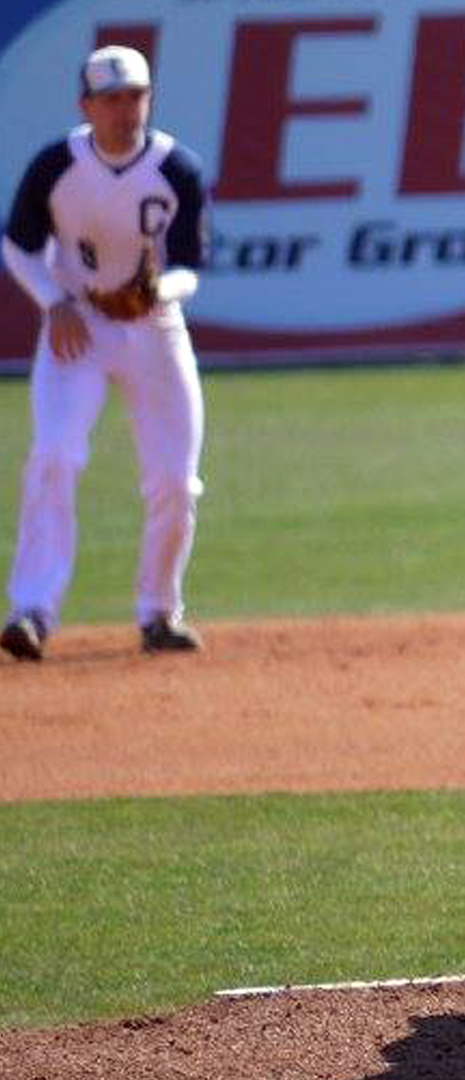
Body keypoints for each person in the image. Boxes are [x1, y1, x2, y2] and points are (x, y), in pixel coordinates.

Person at [2, 45, 211, 662]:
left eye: (136, 96)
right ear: (85, 105)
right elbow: (17, 246)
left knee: (176, 480)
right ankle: (32, 611)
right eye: (112, 98)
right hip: (79, 327)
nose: (125, 110)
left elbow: (192, 267)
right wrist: (53, 301)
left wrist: (156, 293)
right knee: (55, 455)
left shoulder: (177, 169)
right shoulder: (56, 166)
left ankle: (158, 613)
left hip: (155, 330)